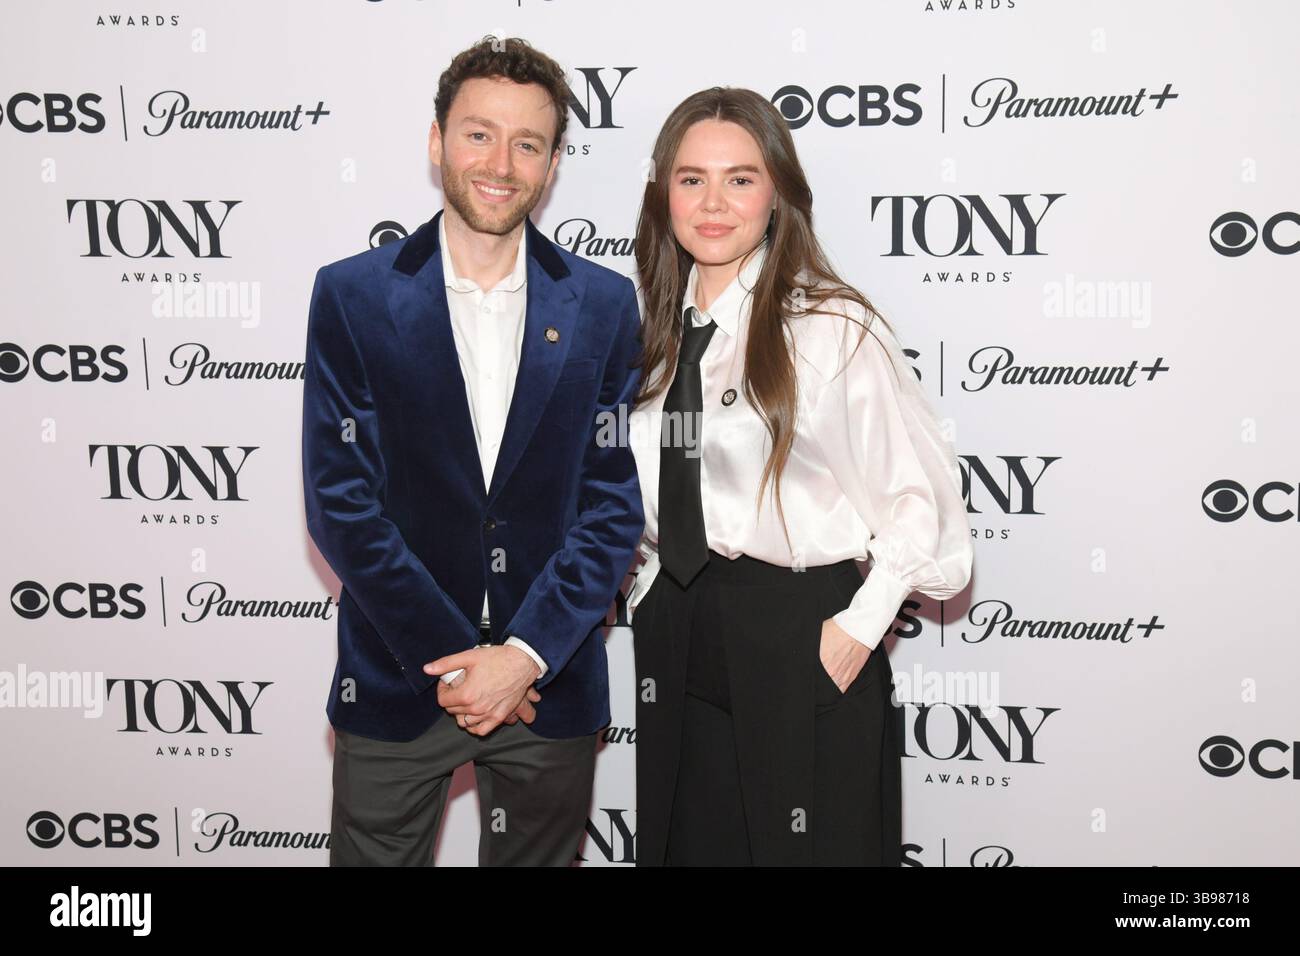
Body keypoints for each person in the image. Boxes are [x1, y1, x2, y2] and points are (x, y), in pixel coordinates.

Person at [301, 37, 644, 866]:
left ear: (554, 162)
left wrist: (521, 658)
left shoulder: (602, 304)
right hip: (396, 679)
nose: (501, 162)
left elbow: (611, 506)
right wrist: (461, 665)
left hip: (547, 688)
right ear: (436, 142)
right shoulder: (351, 295)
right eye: (478, 134)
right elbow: (339, 502)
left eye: (528, 143)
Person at [626, 87, 974, 866]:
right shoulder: (650, 331)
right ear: (663, 193)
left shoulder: (827, 325)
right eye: (691, 179)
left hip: (798, 635)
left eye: (740, 179)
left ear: (777, 193)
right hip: (678, 638)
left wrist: (859, 625)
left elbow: (922, 500)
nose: (714, 203)